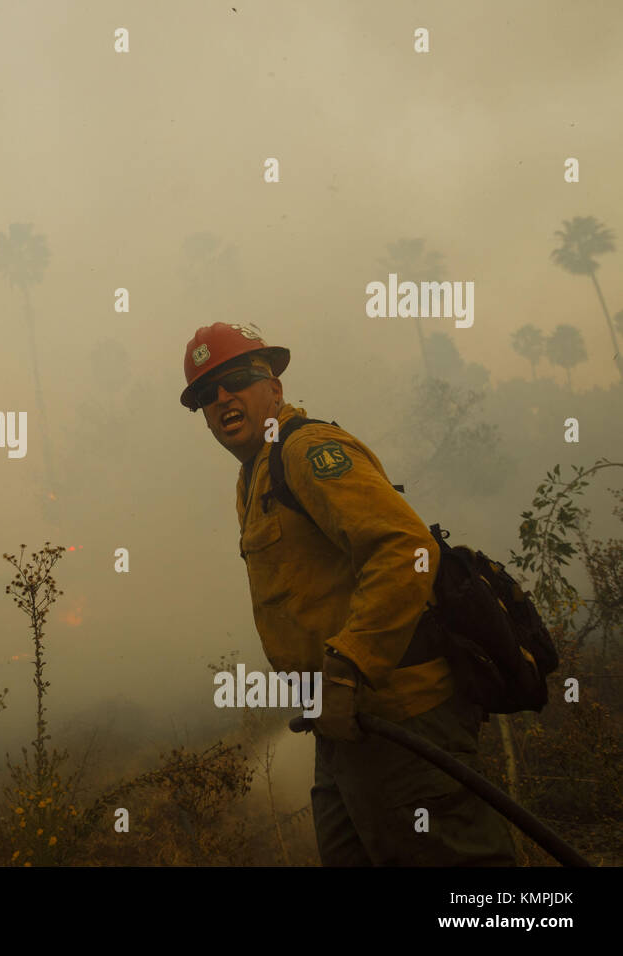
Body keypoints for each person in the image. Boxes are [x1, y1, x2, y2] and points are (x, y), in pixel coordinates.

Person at [181, 321, 517, 866]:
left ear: (275, 388)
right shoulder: (253, 478)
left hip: (400, 714)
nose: (221, 399)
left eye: (237, 378)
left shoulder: (307, 450)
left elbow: (404, 548)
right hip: (343, 727)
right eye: (204, 393)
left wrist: (349, 665)